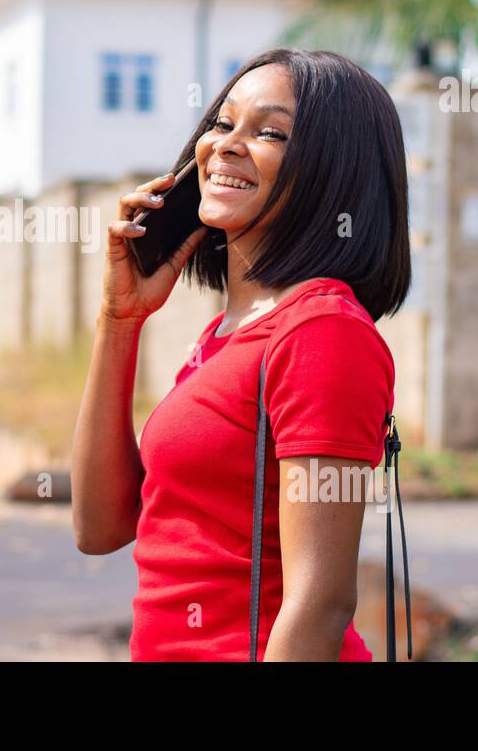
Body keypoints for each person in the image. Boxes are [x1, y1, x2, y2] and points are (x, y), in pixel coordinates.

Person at [70, 48, 411, 661]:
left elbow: (321, 601)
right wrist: (118, 322)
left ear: (332, 171)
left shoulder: (321, 333)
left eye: (270, 132)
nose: (225, 145)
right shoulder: (229, 336)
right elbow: (101, 528)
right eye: (223, 123)